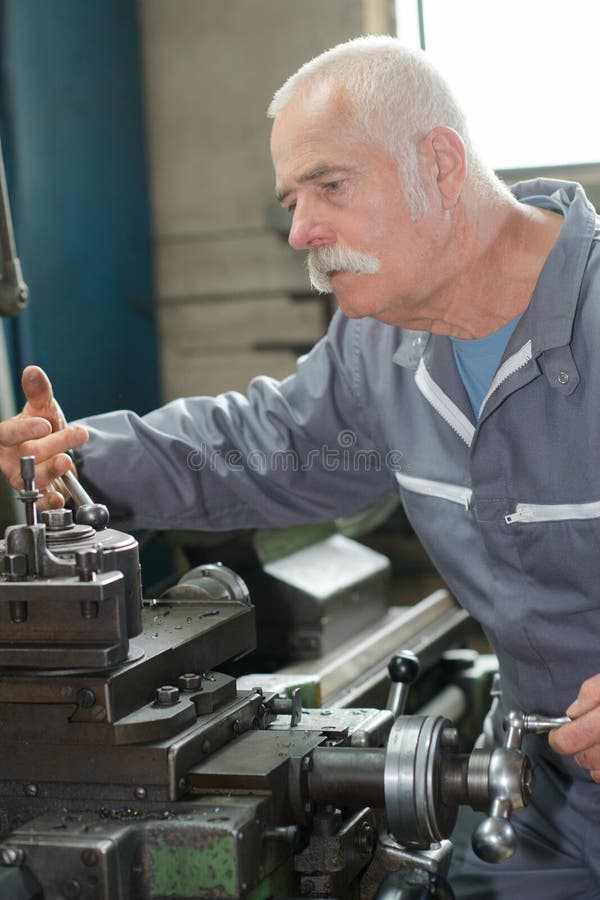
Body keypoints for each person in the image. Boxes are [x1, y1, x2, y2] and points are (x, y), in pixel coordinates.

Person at [1, 35, 600, 897]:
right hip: (538, 796)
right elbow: (255, 447)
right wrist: (80, 454)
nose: (300, 231)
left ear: (438, 164)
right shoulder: (381, 345)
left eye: (330, 186)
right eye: (292, 199)